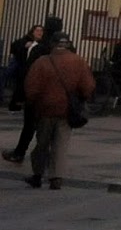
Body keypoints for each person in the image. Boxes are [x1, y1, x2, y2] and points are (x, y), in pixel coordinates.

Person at [22, 33, 94, 191]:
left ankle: (37, 175)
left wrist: (33, 103)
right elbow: (88, 86)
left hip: (45, 109)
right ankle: (56, 177)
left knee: (42, 143)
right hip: (67, 110)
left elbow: (31, 88)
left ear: (52, 44)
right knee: (61, 145)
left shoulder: (42, 62)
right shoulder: (78, 61)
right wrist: (80, 98)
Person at [3, 24, 48, 164]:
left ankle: (21, 153)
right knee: (41, 128)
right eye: (37, 30)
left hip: (35, 93)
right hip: (41, 93)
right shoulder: (30, 43)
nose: (40, 33)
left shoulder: (40, 48)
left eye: (41, 30)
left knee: (30, 126)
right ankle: (42, 157)